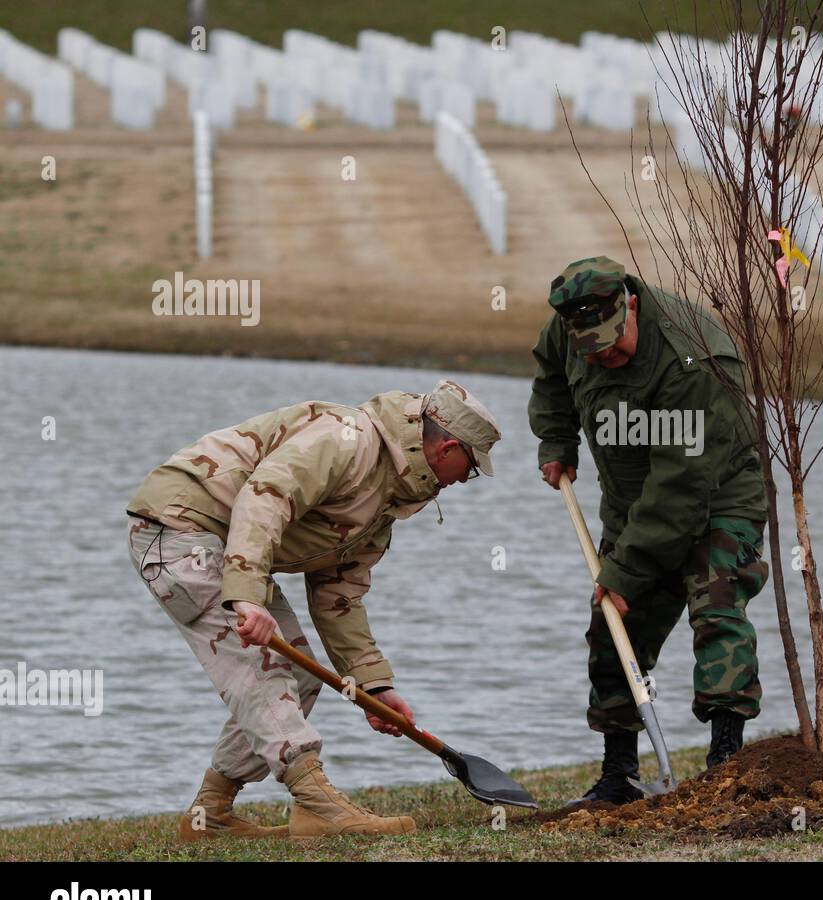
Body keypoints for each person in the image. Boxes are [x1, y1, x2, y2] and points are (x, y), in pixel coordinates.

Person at [126, 380, 500, 839]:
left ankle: (212, 815)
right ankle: (316, 802)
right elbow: (265, 495)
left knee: (298, 673)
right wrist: (244, 594)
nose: (466, 479)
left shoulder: (391, 498)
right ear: (446, 448)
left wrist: (373, 684)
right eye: (471, 468)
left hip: (227, 546)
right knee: (261, 665)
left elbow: (338, 595)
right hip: (180, 529)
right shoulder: (348, 439)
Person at [529, 256, 770, 805]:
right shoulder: (569, 328)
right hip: (631, 504)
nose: (605, 357)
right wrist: (557, 442)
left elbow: (682, 485)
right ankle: (619, 777)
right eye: (593, 352)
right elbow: (550, 380)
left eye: (613, 345)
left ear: (631, 306)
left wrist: (627, 568)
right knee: (612, 624)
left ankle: (723, 772)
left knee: (716, 610)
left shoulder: (695, 359)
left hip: (717, 498)